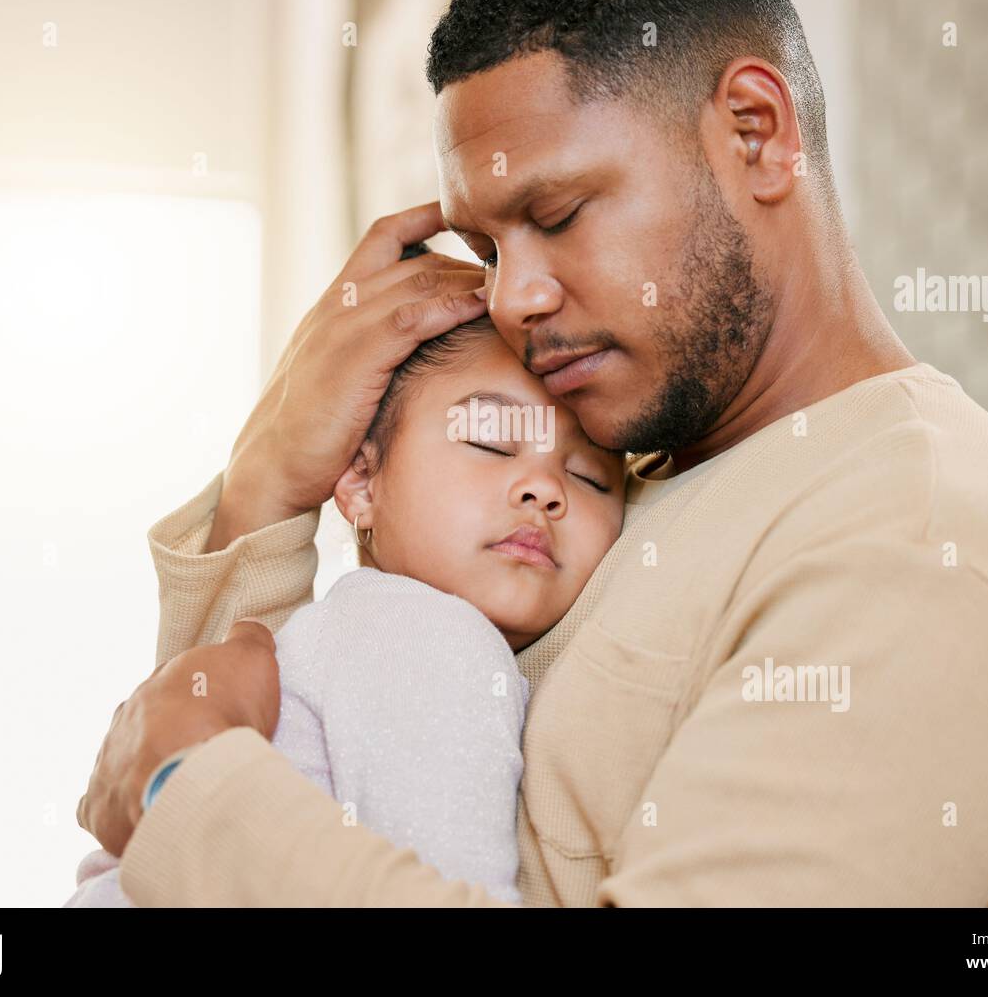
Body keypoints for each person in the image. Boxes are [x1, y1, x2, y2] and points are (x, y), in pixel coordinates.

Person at [77, 0, 988, 907]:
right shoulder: (623, 455)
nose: (515, 298)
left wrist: (189, 795)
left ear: (755, 132)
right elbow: (279, 757)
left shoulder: (921, 534)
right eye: (484, 243)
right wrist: (269, 484)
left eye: (560, 215)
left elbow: (188, 797)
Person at [64, 317, 625, 906]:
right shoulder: (429, 633)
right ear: (361, 482)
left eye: (590, 476)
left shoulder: (338, 632)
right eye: (489, 441)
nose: (543, 488)